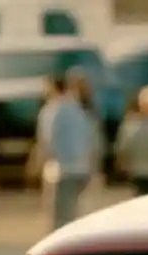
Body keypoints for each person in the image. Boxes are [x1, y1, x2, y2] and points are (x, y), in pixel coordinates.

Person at [29, 73, 97, 231]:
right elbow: (90, 139)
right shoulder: (79, 109)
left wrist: (38, 163)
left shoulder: (51, 110)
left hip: (59, 169)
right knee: (73, 210)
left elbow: (47, 140)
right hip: (81, 167)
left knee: (58, 214)